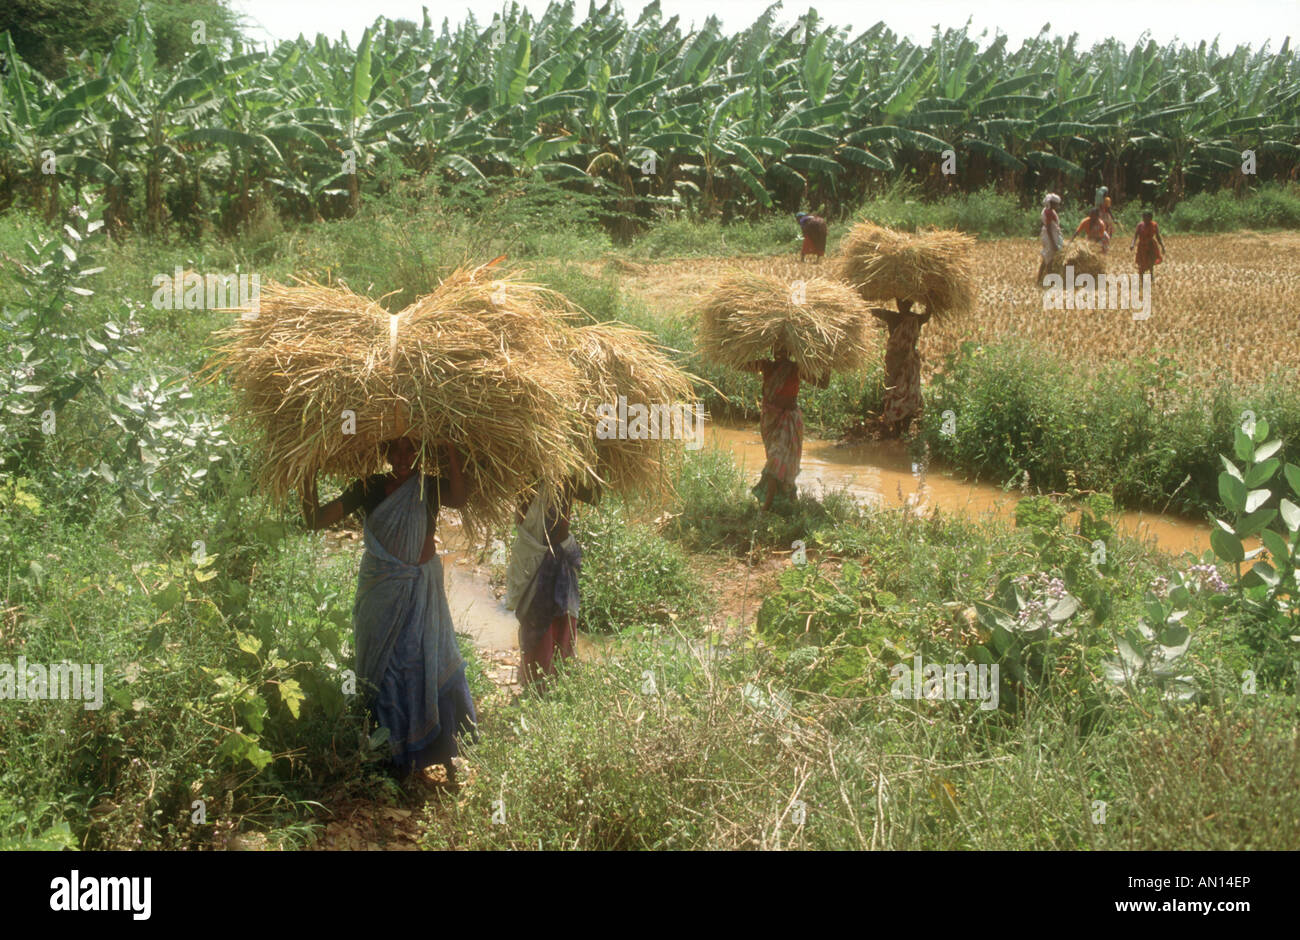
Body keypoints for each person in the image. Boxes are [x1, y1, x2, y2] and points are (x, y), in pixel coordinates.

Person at [301, 436, 476, 787]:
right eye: (394, 450)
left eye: (411, 449)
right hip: (381, 590)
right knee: (384, 669)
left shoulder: (428, 487)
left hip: (422, 590)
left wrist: (452, 450)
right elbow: (316, 520)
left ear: (421, 452)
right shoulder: (369, 487)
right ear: (383, 453)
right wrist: (306, 473)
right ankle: (389, 758)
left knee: (425, 661)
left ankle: (439, 752)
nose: (402, 458)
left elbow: (460, 498)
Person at [506, 477, 601, 689]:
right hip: (538, 557)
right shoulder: (529, 478)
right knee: (542, 619)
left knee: (555, 618)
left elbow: (594, 496)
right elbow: (525, 519)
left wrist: (594, 466)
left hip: (551, 557)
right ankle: (542, 682)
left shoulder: (564, 479)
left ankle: (551, 680)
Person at [744, 344, 829, 511]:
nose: (780, 352)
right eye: (777, 348)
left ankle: (766, 508)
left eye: (784, 349)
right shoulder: (765, 365)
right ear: (772, 350)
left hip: (789, 420)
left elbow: (823, 384)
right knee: (777, 460)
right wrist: (738, 348)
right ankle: (790, 502)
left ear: (791, 351)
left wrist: (828, 364)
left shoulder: (796, 368)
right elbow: (739, 364)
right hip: (770, 420)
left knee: (777, 459)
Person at [871, 299, 932, 437]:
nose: (902, 306)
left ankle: (901, 428)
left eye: (904, 303)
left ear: (908, 304)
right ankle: (900, 429)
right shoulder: (913, 319)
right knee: (901, 393)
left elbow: (873, 311)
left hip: (903, 362)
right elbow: (928, 314)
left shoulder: (896, 317)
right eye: (901, 303)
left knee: (900, 393)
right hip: (900, 363)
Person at [1130, 210, 1167, 283]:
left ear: (1151, 218)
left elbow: (1158, 236)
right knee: (1142, 262)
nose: (1145, 219)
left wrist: (1162, 246)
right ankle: (1141, 277)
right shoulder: (1140, 225)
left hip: (1151, 245)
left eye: (1147, 218)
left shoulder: (1154, 225)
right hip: (1142, 246)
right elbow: (1135, 236)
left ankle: (1151, 275)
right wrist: (1132, 244)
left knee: (1151, 261)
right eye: (1144, 217)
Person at [1036, 193, 1063, 283]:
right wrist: (1053, 243)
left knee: (1046, 259)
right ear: (1052, 203)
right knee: (1049, 259)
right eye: (1056, 204)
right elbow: (1049, 228)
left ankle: (1039, 279)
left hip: (1049, 235)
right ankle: (1050, 281)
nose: (1058, 206)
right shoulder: (1049, 212)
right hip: (1048, 236)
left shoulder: (1048, 211)